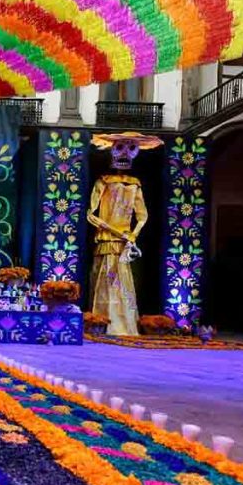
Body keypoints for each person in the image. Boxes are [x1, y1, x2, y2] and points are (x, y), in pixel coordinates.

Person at [87, 131, 163, 335]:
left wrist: (132, 235)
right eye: (120, 147)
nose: (124, 155)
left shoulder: (134, 185)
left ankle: (121, 324)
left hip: (122, 243)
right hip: (109, 240)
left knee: (120, 283)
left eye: (131, 149)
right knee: (107, 280)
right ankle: (103, 321)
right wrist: (114, 230)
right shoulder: (103, 181)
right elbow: (91, 214)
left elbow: (143, 216)